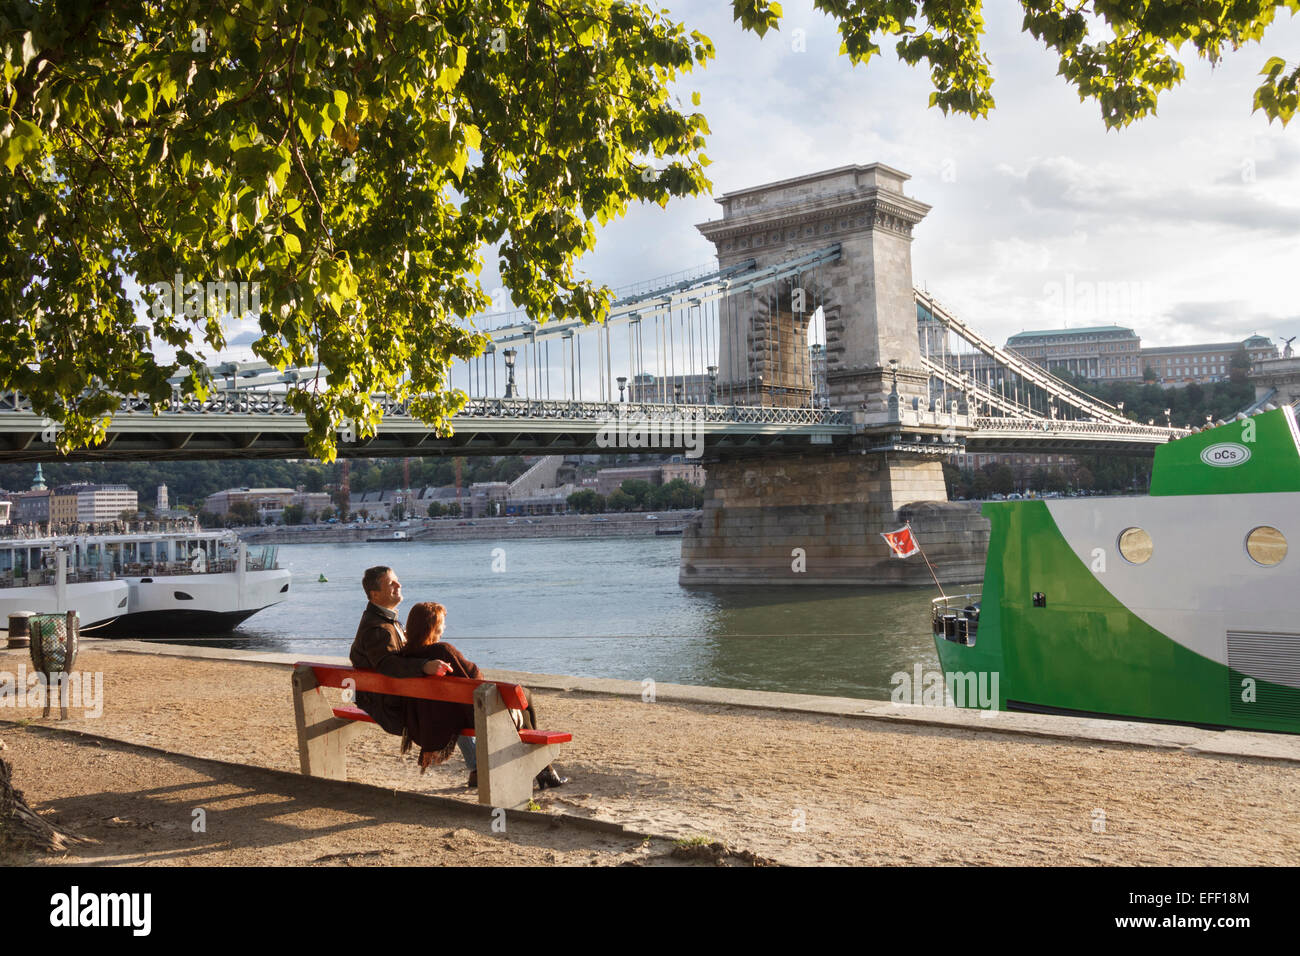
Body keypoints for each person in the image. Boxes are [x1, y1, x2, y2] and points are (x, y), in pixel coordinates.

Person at [403, 601, 566, 790]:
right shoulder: (441, 651)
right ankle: (544, 770)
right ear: (432, 627)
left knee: (519, 703)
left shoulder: (407, 656)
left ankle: (487, 771)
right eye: (441, 623)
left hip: (438, 717)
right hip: (471, 716)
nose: (445, 626)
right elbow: (474, 677)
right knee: (525, 699)